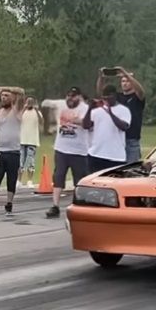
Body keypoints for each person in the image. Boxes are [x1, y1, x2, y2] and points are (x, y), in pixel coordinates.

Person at [46, 87, 90, 219]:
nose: (70, 98)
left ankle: (79, 205)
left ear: (79, 97)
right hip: (61, 148)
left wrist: (77, 120)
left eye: (73, 96)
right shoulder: (62, 105)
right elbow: (48, 103)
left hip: (79, 150)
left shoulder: (84, 108)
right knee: (58, 176)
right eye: (68, 96)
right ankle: (55, 206)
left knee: (79, 179)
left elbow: (87, 123)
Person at [0, 85, 26, 218]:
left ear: (12, 97)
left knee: (11, 179)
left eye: (6, 95)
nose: (3, 98)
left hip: (13, 151)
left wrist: (1, 88)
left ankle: (9, 203)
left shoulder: (17, 110)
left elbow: (21, 91)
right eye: (2, 96)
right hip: (0, 151)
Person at [98, 67, 146, 163]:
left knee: (131, 171)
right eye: (123, 81)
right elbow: (101, 93)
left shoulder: (137, 97)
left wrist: (124, 71)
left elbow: (141, 91)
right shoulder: (118, 97)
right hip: (117, 139)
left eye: (127, 81)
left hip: (131, 140)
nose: (125, 83)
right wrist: (101, 77)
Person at [82, 85, 132, 173]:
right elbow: (86, 126)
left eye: (109, 97)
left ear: (115, 96)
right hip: (96, 155)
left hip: (116, 156)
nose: (107, 100)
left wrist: (110, 112)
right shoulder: (97, 110)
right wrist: (90, 108)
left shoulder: (124, 110)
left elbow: (124, 127)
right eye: (104, 98)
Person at [19, 97, 43, 188]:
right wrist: (24, 108)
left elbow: (41, 122)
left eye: (31, 102)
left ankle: (29, 180)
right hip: (22, 140)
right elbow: (17, 120)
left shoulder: (37, 113)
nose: (29, 104)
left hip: (32, 140)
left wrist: (37, 110)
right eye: (28, 102)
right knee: (20, 162)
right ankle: (19, 181)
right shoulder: (22, 112)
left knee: (30, 162)